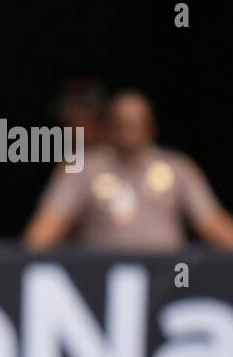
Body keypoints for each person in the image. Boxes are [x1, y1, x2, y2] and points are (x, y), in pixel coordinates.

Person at [24, 89, 233, 251]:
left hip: (167, 278)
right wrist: (21, 261)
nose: (128, 132)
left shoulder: (178, 167)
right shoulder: (82, 168)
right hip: (104, 278)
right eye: (121, 123)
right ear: (107, 127)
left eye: (136, 124)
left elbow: (213, 222)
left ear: (152, 127)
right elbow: (45, 230)